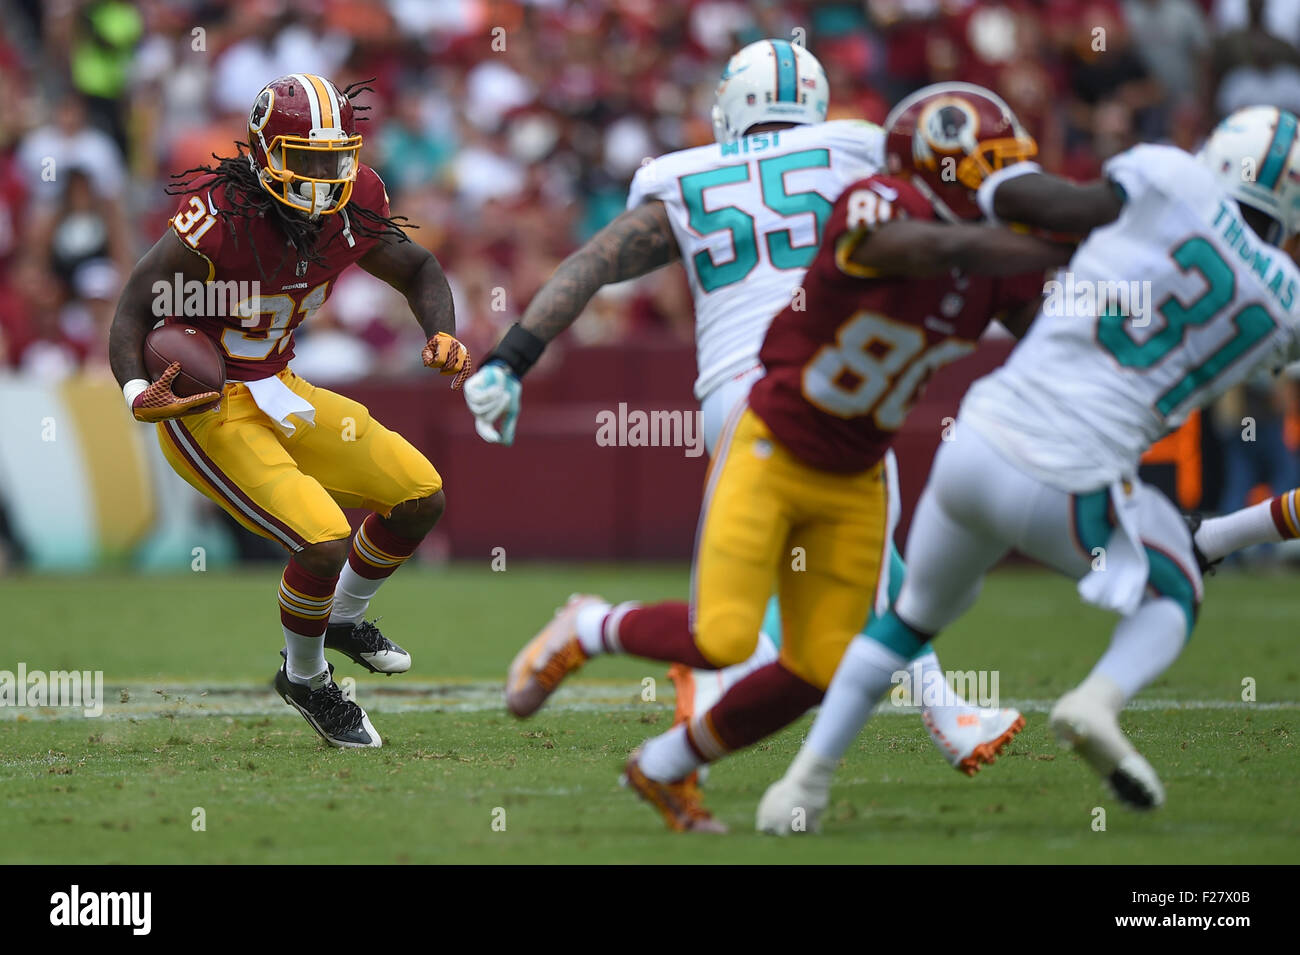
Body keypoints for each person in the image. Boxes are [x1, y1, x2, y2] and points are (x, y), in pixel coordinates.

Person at [501, 83, 1065, 831]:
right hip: (776, 413)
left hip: (839, 450)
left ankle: (668, 762)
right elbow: (945, 241)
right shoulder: (873, 199)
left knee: (819, 662)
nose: (999, 185)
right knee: (727, 631)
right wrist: (1073, 228)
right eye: (988, 169)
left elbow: (1047, 327)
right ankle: (592, 627)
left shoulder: (884, 202)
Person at [759, 105, 1300, 833]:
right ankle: (1097, 700)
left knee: (910, 618)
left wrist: (983, 168)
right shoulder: (1287, 299)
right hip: (1070, 478)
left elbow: (1047, 206)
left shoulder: (1168, 177)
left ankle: (802, 787)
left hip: (976, 445)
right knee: (1174, 592)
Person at [107, 74, 470, 749]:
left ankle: (344, 616)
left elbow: (419, 268)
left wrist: (440, 332)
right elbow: (131, 312)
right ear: (263, 152)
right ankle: (305, 676)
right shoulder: (215, 220)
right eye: (305, 157)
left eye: (335, 157)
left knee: (419, 494)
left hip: (281, 384)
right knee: (323, 537)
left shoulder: (356, 201)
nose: (323, 174)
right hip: (209, 407)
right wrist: (137, 393)